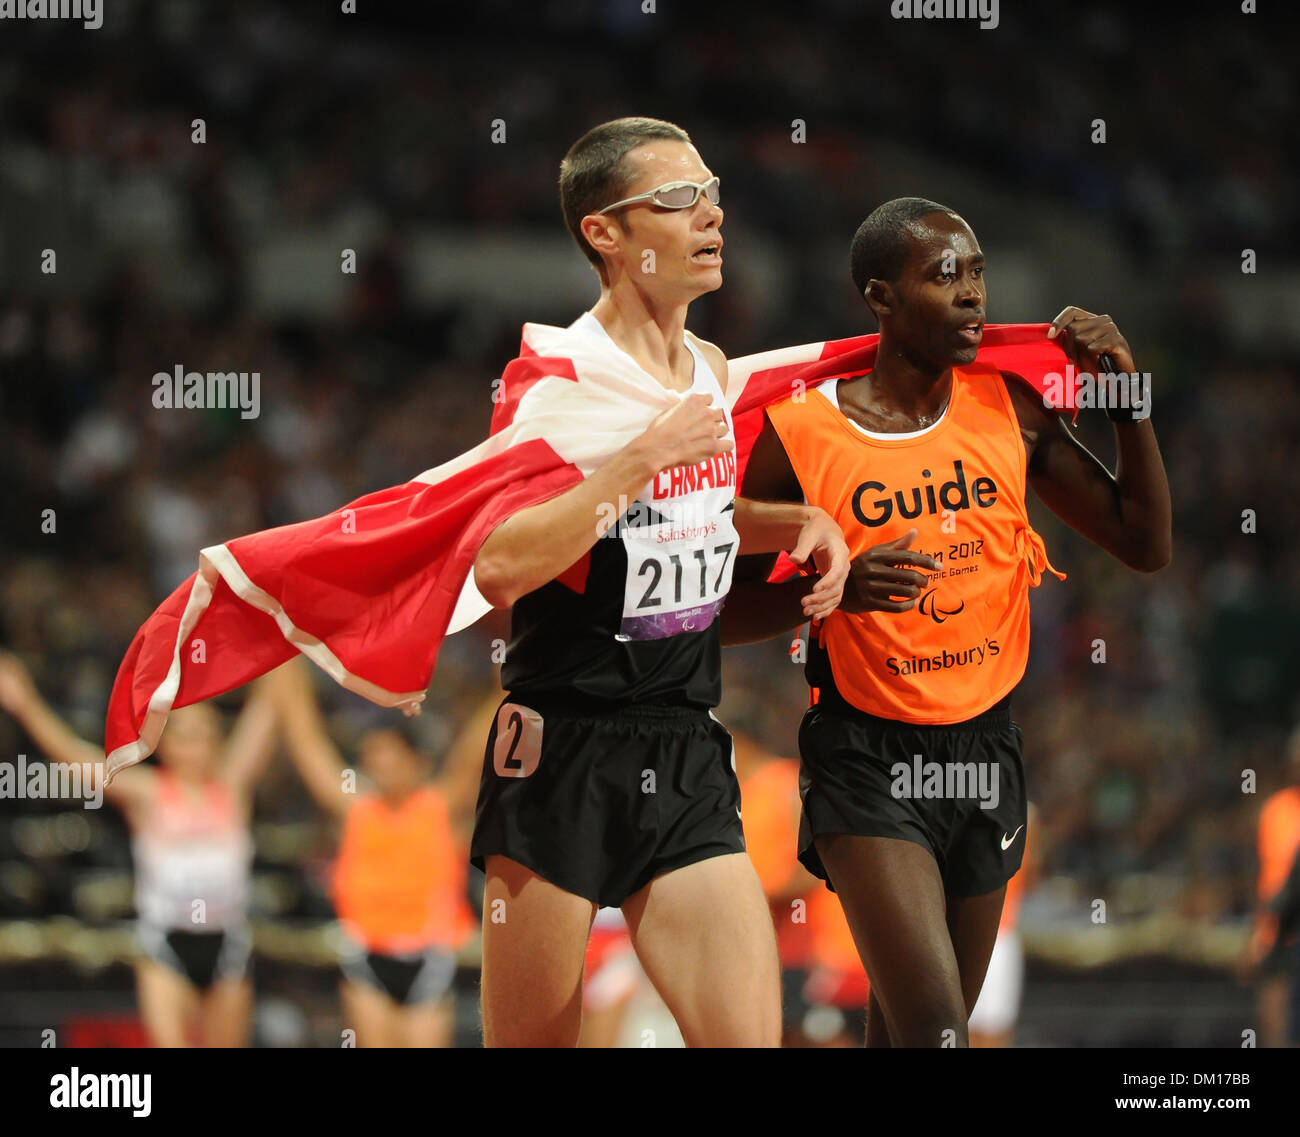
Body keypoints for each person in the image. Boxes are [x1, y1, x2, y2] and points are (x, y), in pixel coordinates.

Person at [731, 196, 1172, 1047]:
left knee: (908, 1032)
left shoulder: (1007, 408)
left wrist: (1125, 396)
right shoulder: (801, 436)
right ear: (881, 299)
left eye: (978, 273)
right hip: (866, 756)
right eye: (945, 275)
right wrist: (833, 589)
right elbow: (711, 613)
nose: (973, 294)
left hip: (985, 753)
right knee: (939, 1031)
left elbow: (1145, 543)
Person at [468, 116, 850, 1048]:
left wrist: (795, 523)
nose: (711, 214)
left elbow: (696, 522)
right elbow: (501, 560)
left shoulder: (710, 371)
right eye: (679, 198)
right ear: (606, 232)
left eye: (713, 192)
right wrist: (637, 460)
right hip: (559, 751)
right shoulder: (556, 385)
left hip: (683, 746)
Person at [0, 650, 278, 1047]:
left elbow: (267, 714)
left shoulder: (232, 787)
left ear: (218, 741)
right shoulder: (149, 794)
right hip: (167, 945)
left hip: (226, 946)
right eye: (186, 736)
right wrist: (26, 704)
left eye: (205, 735)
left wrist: (290, 633)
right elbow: (77, 759)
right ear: (166, 746)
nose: (197, 746)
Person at [269, 657, 476, 1047]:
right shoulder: (356, 810)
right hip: (368, 958)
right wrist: (286, 655)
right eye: (373, 757)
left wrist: (506, 685)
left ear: (417, 762)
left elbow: (473, 752)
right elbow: (306, 741)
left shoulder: (440, 808)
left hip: (428, 958)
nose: (381, 766)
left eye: (391, 756)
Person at [1242, 729, 1300, 1047]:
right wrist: (1257, 930)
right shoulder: (1276, 809)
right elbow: (1263, 874)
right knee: (1275, 1023)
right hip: (1276, 930)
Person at [969, 801, 1040, 1047]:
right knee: (991, 1033)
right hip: (996, 935)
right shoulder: (1024, 810)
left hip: (958, 931)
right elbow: (1032, 875)